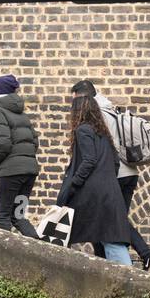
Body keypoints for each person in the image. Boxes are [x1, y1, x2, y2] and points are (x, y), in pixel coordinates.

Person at [71, 79, 150, 271]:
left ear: (84, 97)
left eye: (76, 99)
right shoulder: (111, 109)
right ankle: (106, 263)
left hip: (115, 175)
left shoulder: (97, 114)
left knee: (111, 221)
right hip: (130, 172)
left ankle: (145, 253)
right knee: (109, 222)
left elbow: (101, 151)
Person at [56, 95, 132, 265]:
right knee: (109, 238)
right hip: (109, 191)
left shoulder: (83, 130)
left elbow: (89, 160)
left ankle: (130, 281)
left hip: (93, 194)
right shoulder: (103, 134)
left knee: (104, 238)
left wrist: (75, 183)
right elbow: (115, 162)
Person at [0, 74, 40, 238]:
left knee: (3, 217)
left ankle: (3, 258)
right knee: (19, 216)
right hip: (29, 172)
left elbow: (3, 144)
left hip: (10, 174)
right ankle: (41, 250)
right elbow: (35, 142)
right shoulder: (22, 114)